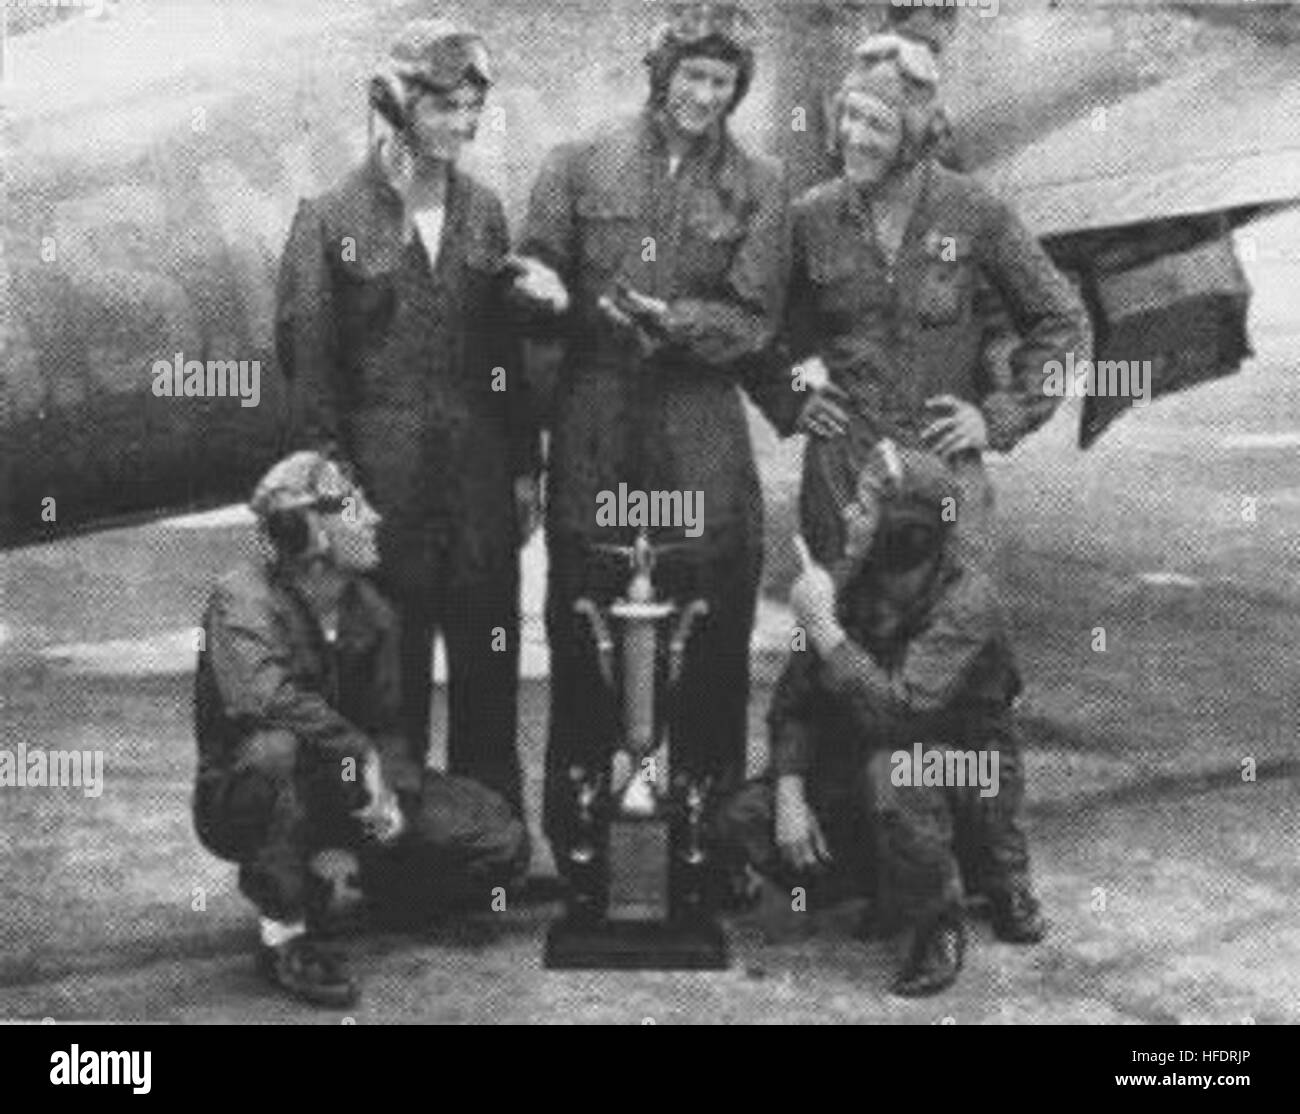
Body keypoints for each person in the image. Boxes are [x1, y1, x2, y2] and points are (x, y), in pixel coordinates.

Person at [510, 2, 823, 867]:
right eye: (693, 77)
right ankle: (579, 834)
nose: (705, 97)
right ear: (663, 75)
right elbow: (534, 305)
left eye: (723, 83)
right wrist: (535, 296)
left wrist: (676, 322)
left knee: (711, 626)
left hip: (697, 425)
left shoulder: (760, 187)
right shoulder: (576, 165)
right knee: (583, 621)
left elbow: (754, 322)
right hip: (595, 422)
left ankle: (707, 839)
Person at [274, 19, 540, 816]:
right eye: (445, 108)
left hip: (479, 500)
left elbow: (507, 358)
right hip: (383, 509)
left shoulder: (486, 212)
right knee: (388, 694)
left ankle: (493, 843)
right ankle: (396, 854)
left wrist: (526, 466)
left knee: (489, 679)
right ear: (396, 106)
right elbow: (312, 386)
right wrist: (342, 503)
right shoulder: (327, 222)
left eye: (472, 109)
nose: (463, 125)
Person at [192, 451, 528, 1007]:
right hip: (247, 795)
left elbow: (390, 731)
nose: (373, 518)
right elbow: (262, 698)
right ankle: (285, 932)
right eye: (354, 507)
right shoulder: (240, 597)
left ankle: (355, 877)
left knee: (498, 838)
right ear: (307, 532)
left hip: (339, 795)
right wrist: (357, 752)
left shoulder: (372, 611)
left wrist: (384, 813)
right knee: (276, 750)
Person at [715, 444, 1043, 997]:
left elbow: (901, 713)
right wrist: (791, 792)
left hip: (966, 777)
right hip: (877, 775)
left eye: (866, 508)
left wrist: (825, 631)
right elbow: (795, 702)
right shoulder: (846, 582)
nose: (848, 515)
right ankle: (881, 882)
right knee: (748, 816)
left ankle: (939, 918)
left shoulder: (968, 602)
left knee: (898, 770)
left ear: (908, 531)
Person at [788, 34, 1089, 570]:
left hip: (942, 469)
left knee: (953, 630)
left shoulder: (973, 212)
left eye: (876, 124)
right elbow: (764, 325)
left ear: (913, 139)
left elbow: (1060, 320)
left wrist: (1001, 417)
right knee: (838, 637)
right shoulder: (813, 216)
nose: (853, 137)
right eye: (849, 116)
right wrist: (793, 390)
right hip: (842, 472)